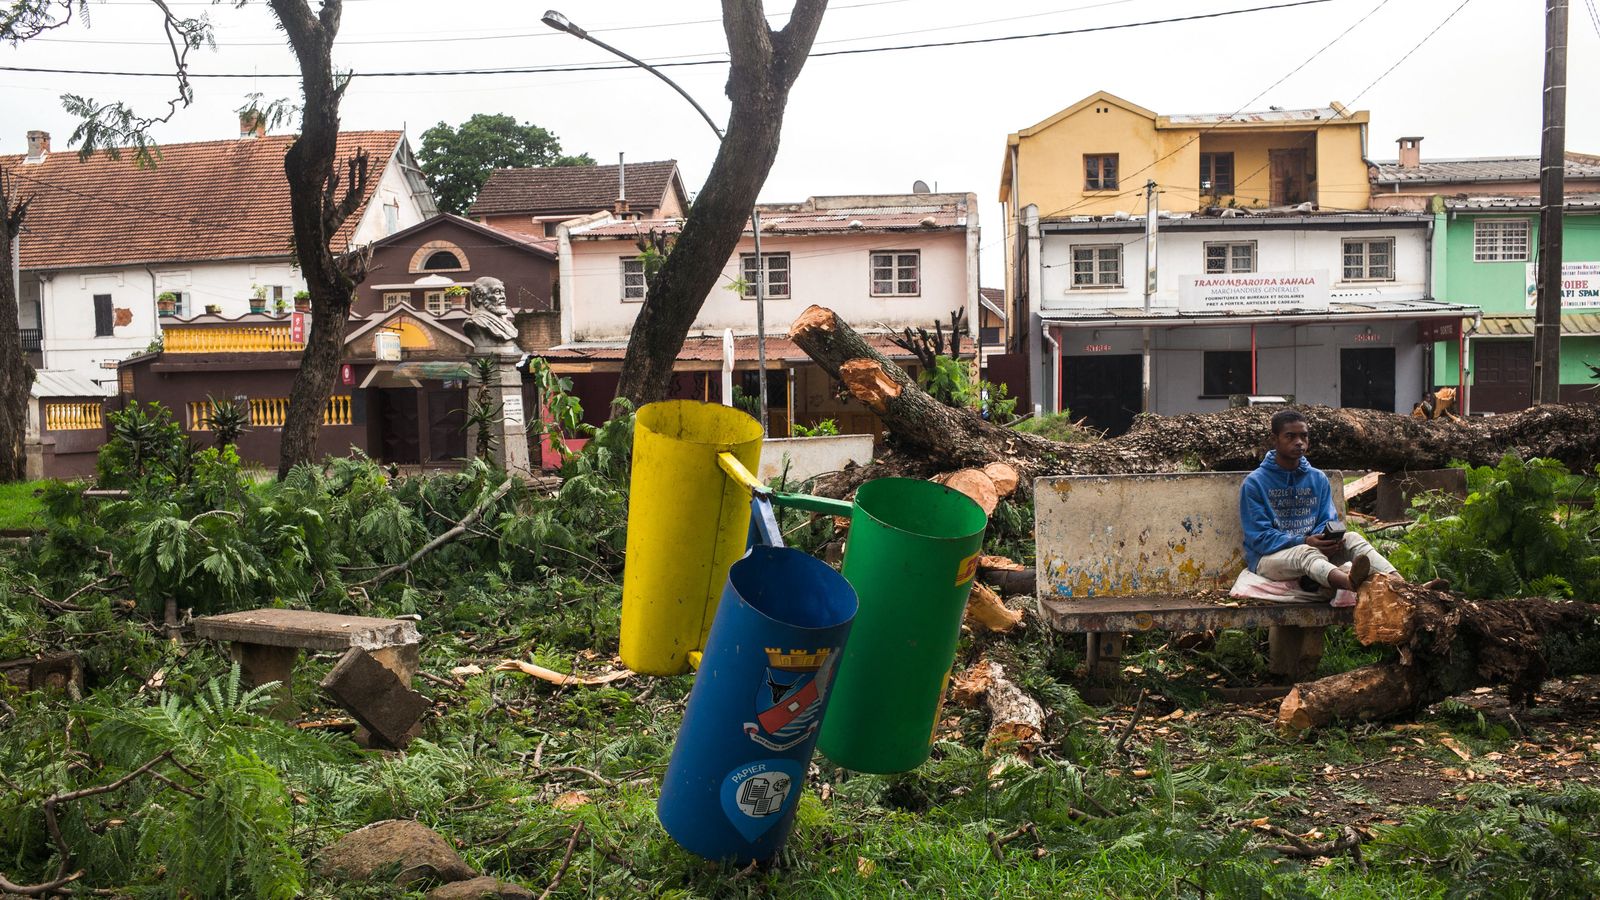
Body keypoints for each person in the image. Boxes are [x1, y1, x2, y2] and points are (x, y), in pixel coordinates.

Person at [1240, 409, 1397, 596]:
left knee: (1353, 539)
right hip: (1268, 559)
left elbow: (1327, 520)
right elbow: (1259, 538)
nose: (1299, 442)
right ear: (1274, 440)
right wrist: (1305, 541)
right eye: (1290, 436)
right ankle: (1349, 583)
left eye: (1303, 436)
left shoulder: (1318, 478)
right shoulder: (1254, 483)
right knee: (1305, 553)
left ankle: (1402, 584)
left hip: (1316, 552)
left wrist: (1326, 541)